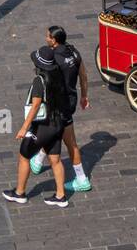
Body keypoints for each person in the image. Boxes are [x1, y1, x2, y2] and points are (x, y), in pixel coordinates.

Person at [2, 46, 70, 208]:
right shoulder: (58, 74)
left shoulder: (39, 81)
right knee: (55, 159)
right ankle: (61, 196)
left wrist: (24, 128)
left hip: (43, 126)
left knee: (24, 155)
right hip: (57, 123)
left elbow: (35, 105)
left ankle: (19, 193)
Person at [29, 26, 92, 192]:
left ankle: (81, 178)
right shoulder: (74, 51)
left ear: (54, 40)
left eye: (47, 36)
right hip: (71, 101)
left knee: (69, 141)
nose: (45, 38)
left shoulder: (53, 58)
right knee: (56, 132)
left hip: (58, 104)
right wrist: (84, 96)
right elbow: (83, 76)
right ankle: (38, 160)